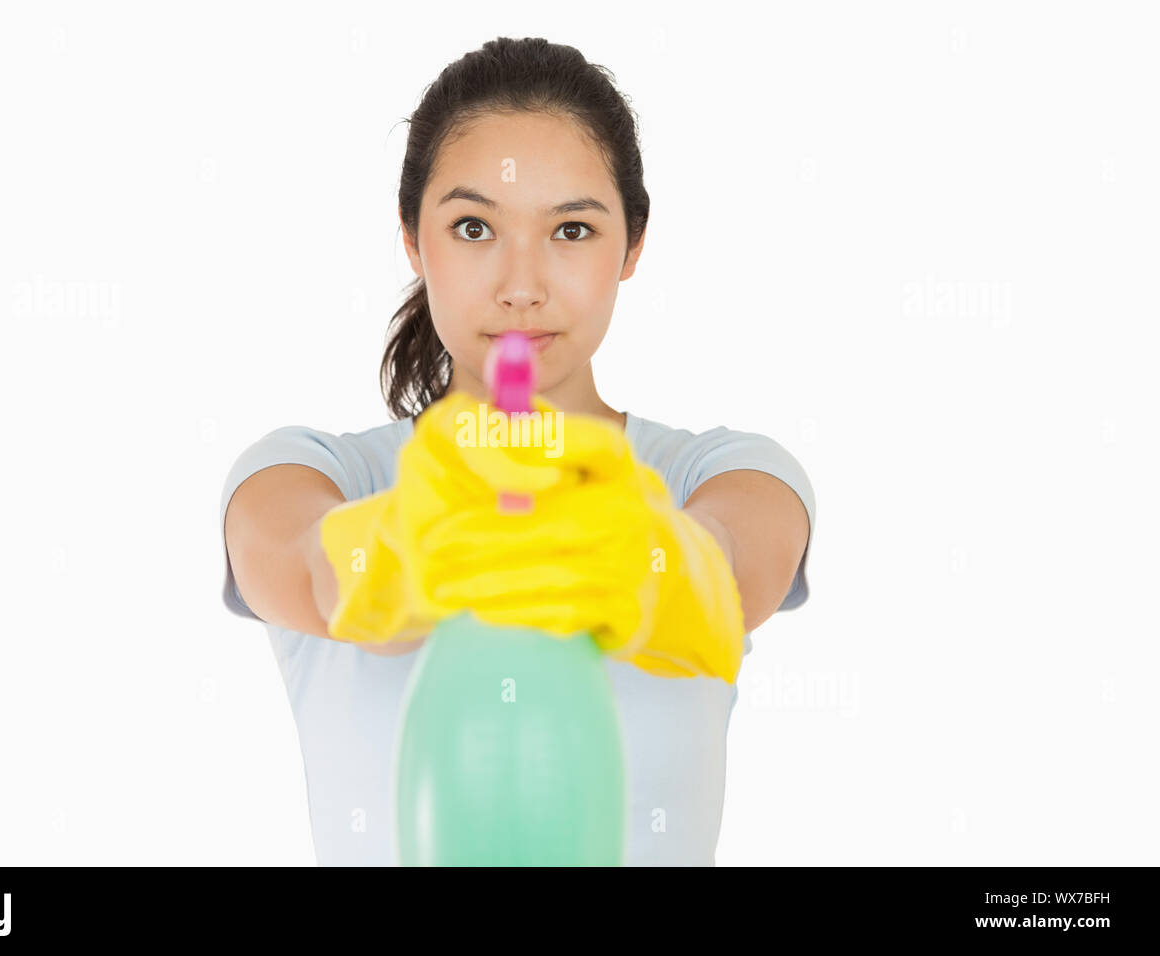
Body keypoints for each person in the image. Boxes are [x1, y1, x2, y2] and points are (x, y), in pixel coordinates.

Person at [219, 37, 815, 866]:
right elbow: (295, 557)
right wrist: (392, 550)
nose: (521, 284)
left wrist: (645, 556)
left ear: (633, 246)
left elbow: (730, 560)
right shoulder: (318, 474)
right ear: (412, 239)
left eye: (572, 229)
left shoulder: (715, 474)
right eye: (473, 227)